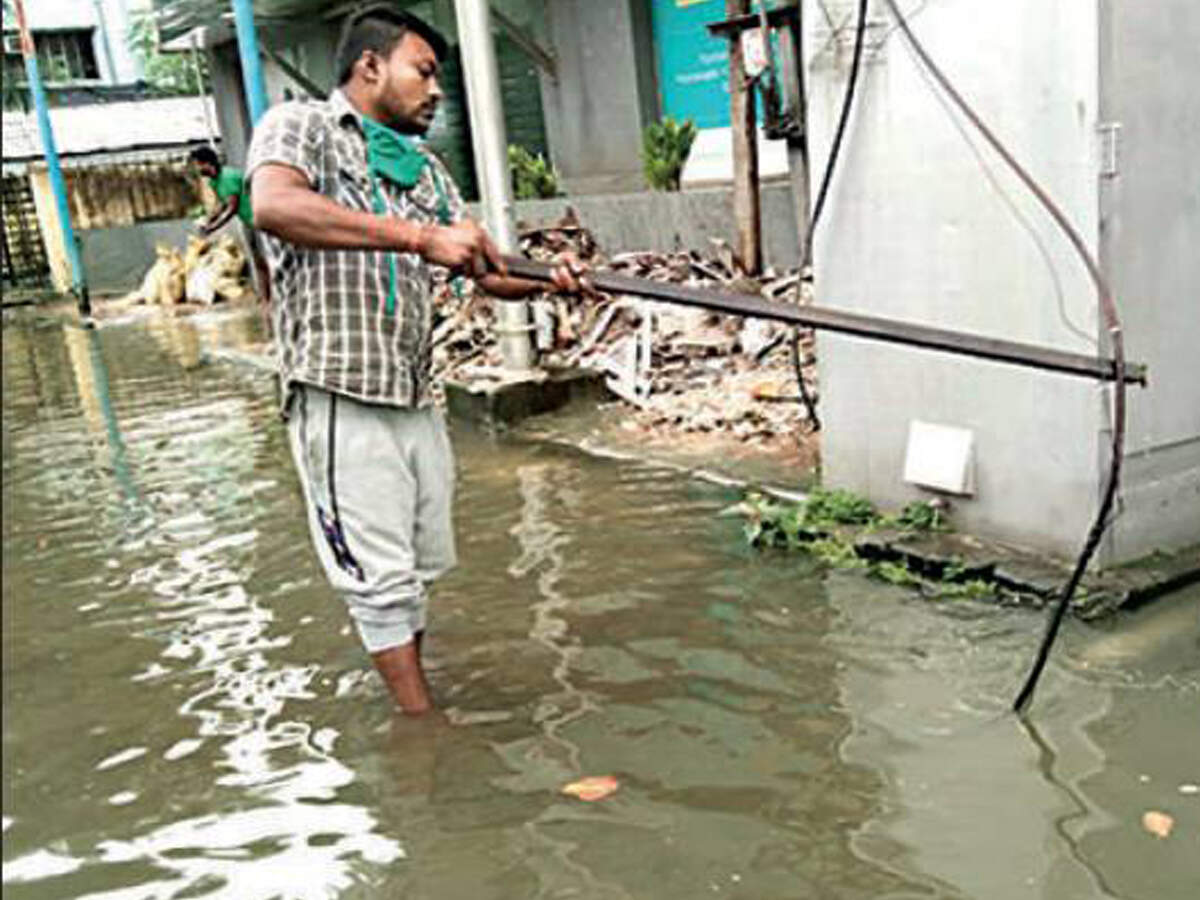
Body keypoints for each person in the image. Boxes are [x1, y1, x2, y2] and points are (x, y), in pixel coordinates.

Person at [246, 6, 582, 716]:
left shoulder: (423, 170)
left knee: (420, 563)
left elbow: (484, 275)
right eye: (423, 72)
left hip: (412, 393)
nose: (435, 91)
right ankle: (423, 730)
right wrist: (418, 238)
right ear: (370, 67)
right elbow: (274, 207)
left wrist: (549, 276)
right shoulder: (301, 127)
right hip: (338, 389)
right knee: (375, 577)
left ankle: (416, 694)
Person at [189, 145, 272, 310]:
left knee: (268, 260)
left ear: (207, 163)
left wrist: (212, 228)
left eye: (198, 164)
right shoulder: (214, 181)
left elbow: (232, 208)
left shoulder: (228, 177)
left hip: (261, 220)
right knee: (259, 262)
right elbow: (223, 204)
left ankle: (273, 297)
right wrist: (209, 219)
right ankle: (266, 298)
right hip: (249, 222)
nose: (197, 168)